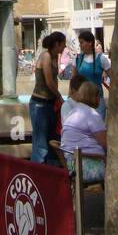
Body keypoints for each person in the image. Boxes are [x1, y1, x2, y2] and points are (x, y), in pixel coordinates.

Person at [59, 80, 107, 184]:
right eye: (98, 96)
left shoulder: (73, 111)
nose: (100, 99)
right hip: (87, 165)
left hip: (72, 163)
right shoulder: (91, 115)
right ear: (93, 97)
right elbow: (105, 143)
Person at [30, 32, 66, 164]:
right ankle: (38, 169)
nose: (65, 47)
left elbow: (55, 80)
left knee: (52, 138)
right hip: (40, 103)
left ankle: (51, 170)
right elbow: (49, 81)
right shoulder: (45, 56)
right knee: (40, 142)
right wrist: (60, 97)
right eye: (63, 44)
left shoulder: (56, 56)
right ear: (57, 44)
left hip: (50, 103)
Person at [72, 29, 111, 121]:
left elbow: (113, 77)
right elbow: (73, 80)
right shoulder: (77, 58)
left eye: (82, 42)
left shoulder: (101, 59)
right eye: (79, 43)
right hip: (82, 100)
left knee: (97, 129)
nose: (80, 45)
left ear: (90, 43)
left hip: (97, 100)